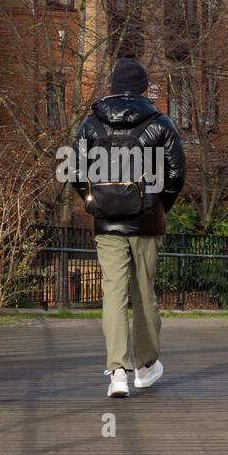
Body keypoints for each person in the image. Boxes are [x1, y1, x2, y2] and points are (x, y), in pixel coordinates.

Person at [72, 58, 186, 397]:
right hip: (147, 220)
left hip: (107, 222)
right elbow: (176, 173)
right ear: (142, 88)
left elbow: (77, 171)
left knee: (114, 292)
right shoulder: (160, 122)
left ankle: (117, 372)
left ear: (112, 86)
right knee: (144, 292)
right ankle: (146, 366)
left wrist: (93, 200)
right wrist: (158, 204)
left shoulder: (91, 123)